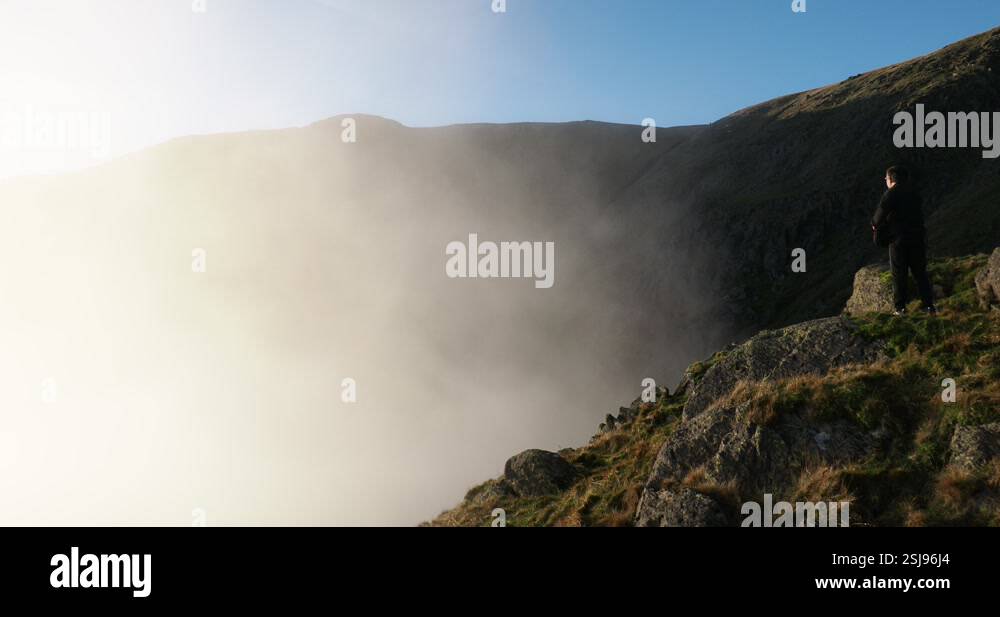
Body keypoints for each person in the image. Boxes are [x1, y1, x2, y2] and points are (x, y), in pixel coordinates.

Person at [871, 166, 936, 315]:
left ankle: (900, 308)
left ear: (891, 179)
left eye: (886, 178)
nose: (885, 181)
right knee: (920, 273)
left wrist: (875, 225)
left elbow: (878, 216)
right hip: (918, 238)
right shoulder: (914, 192)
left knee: (899, 273)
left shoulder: (890, 194)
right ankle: (929, 306)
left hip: (898, 240)